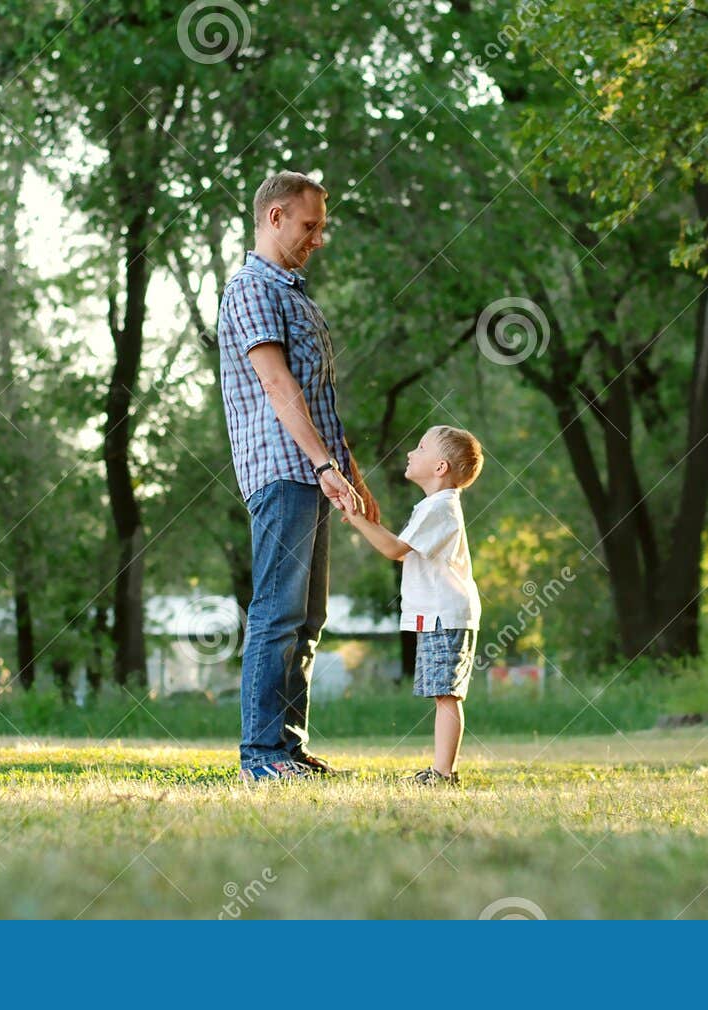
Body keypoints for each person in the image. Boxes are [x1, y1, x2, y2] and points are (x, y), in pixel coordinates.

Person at [217, 170, 378, 783]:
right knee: (277, 613)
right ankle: (260, 757)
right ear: (275, 216)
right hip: (283, 469)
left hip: (313, 470)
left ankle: (287, 748)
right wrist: (322, 464)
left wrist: (350, 475)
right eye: (310, 226)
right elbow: (279, 388)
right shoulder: (252, 288)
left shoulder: (294, 293)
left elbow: (318, 397)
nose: (318, 239)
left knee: (307, 619)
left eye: (322, 228)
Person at [343, 425, 483, 785]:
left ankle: (442, 773)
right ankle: (441, 771)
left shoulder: (440, 508)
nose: (410, 452)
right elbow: (407, 555)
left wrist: (357, 519)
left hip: (446, 615)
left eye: (420, 448)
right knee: (442, 694)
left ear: (440, 468)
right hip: (438, 615)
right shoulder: (432, 508)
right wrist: (365, 520)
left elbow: (393, 551)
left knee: (446, 695)